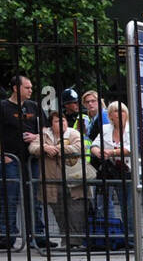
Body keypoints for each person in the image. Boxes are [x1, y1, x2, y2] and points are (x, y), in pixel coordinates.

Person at [1, 74, 50, 250]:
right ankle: (7, 235)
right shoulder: (3, 106)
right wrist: (3, 155)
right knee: (9, 197)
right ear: (16, 88)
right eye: (27, 87)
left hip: (31, 157)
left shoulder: (33, 106)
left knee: (34, 197)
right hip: (10, 158)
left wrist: (36, 136)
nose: (31, 90)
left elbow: (46, 130)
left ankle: (37, 235)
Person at [30, 111, 89, 250]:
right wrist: (45, 147)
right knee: (59, 212)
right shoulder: (44, 134)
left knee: (76, 211)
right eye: (57, 121)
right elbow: (32, 147)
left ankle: (75, 242)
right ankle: (66, 241)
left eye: (63, 120)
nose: (61, 123)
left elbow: (80, 147)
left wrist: (59, 148)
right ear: (51, 124)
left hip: (73, 179)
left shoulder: (73, 133)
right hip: (52, 181)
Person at [90, 101, 133, 240]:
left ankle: (131, 237)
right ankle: (110, 235)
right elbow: (94, 145)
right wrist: (98, 152)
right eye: (115, 111)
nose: (119, 114)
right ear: (110, 115)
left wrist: (111, 152)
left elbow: (131, 148)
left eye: (122, 111)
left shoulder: (131, 129)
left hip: (128, 171)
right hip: (109, 171)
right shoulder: (105, 129)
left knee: (128, 206)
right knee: (104, 204)